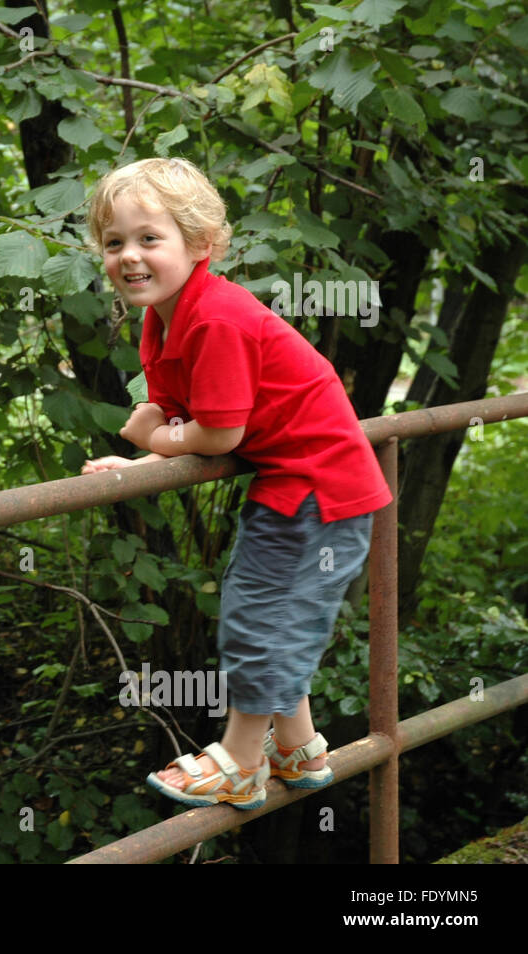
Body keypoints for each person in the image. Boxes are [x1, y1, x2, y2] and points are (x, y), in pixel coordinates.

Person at [80, 157, 392, 809]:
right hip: (294, 484)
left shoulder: (217, 317)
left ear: (200, 246)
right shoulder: (163, 319)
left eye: (148, 239)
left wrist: (153, 439)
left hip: (318, 493)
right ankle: (299, 749)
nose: (129, 256)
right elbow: (176, 416)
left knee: (262, 623)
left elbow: (214, 435)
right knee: (265, 610)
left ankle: (241, 763)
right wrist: (139, 465)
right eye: (115, 242)